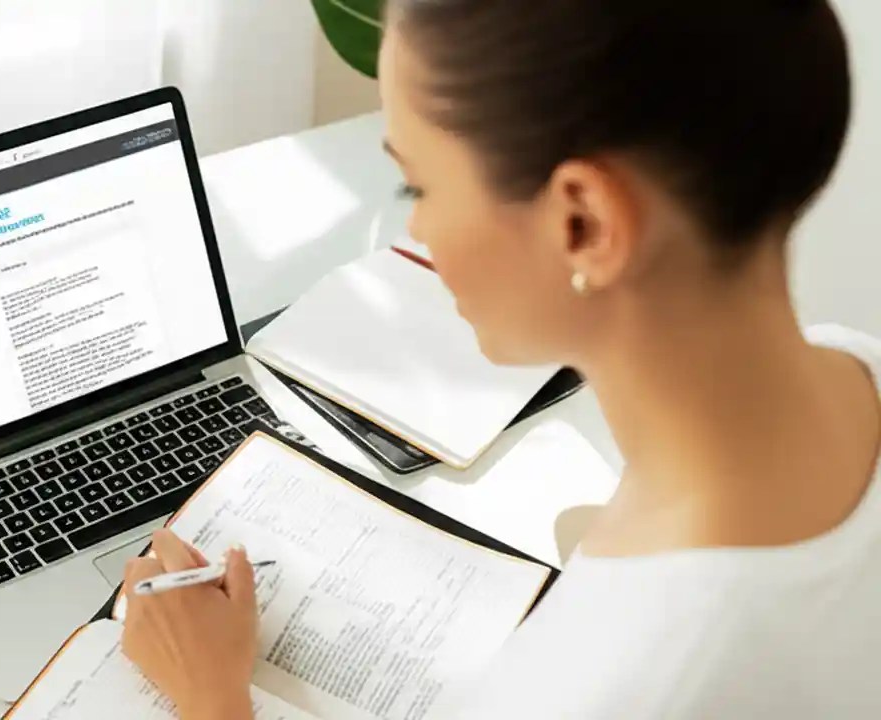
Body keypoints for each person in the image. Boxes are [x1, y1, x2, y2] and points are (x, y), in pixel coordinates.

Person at [120, 1, 881, 717]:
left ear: (582, 222)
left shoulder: (628, 685)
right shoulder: (856, 368)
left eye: (418, 182)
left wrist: (215, 697)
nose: (416, 229)